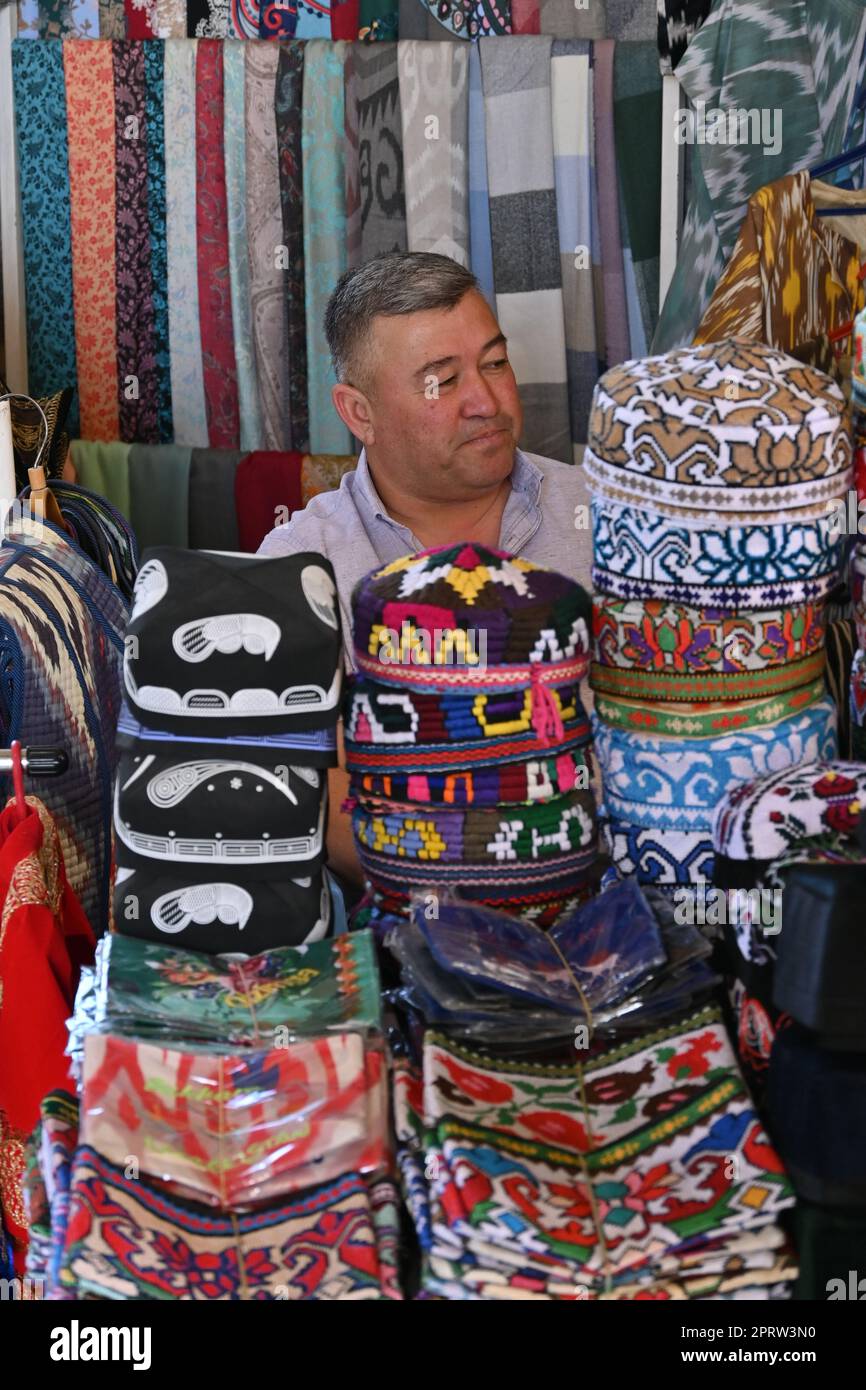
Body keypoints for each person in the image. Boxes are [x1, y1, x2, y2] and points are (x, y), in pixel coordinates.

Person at [258, 250, 592, 888]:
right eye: (442, 381)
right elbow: (314, 802)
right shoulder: (302, 565)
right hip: (410, 941)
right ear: (360, 414)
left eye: (495, 363)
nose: (486, 400)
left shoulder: (605, 516)